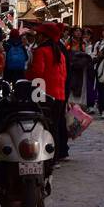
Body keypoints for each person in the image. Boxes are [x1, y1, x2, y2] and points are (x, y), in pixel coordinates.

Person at [27, 22, 70, 163]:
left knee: (43, 126)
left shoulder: (41, 51)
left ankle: (46, 157)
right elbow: (64, 75)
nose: (36, 37)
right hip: (59, 95)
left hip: (44, 94)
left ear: (44, 36)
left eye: (38, 34)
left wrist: (27, 71)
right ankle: (54, 157)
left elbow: (37, 74)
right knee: (55, 126)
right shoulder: (60, 53)